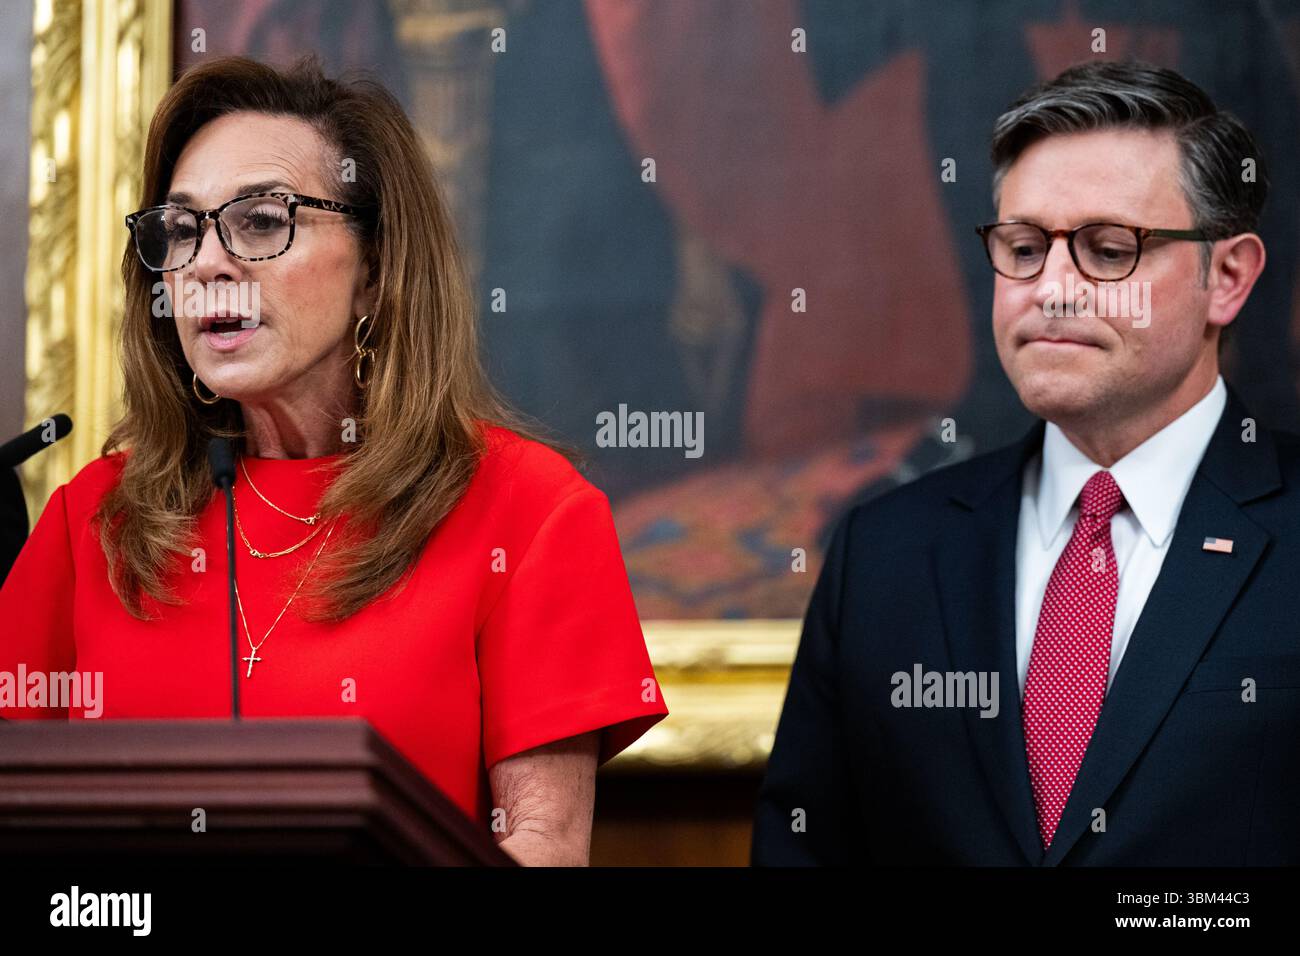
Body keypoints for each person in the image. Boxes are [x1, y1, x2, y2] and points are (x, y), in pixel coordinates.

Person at [0, 56, 667, 867]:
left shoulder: (527, 510)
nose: (208, 264)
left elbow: (540, 850)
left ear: (376, 271)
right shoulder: (93, 519)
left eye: (259, 221)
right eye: (180, 231)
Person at [753, 60, 1297, 865]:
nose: (1054, 288)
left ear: (1227, 277)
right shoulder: (886, 552)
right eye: (1025, 246)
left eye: (1109, 251)